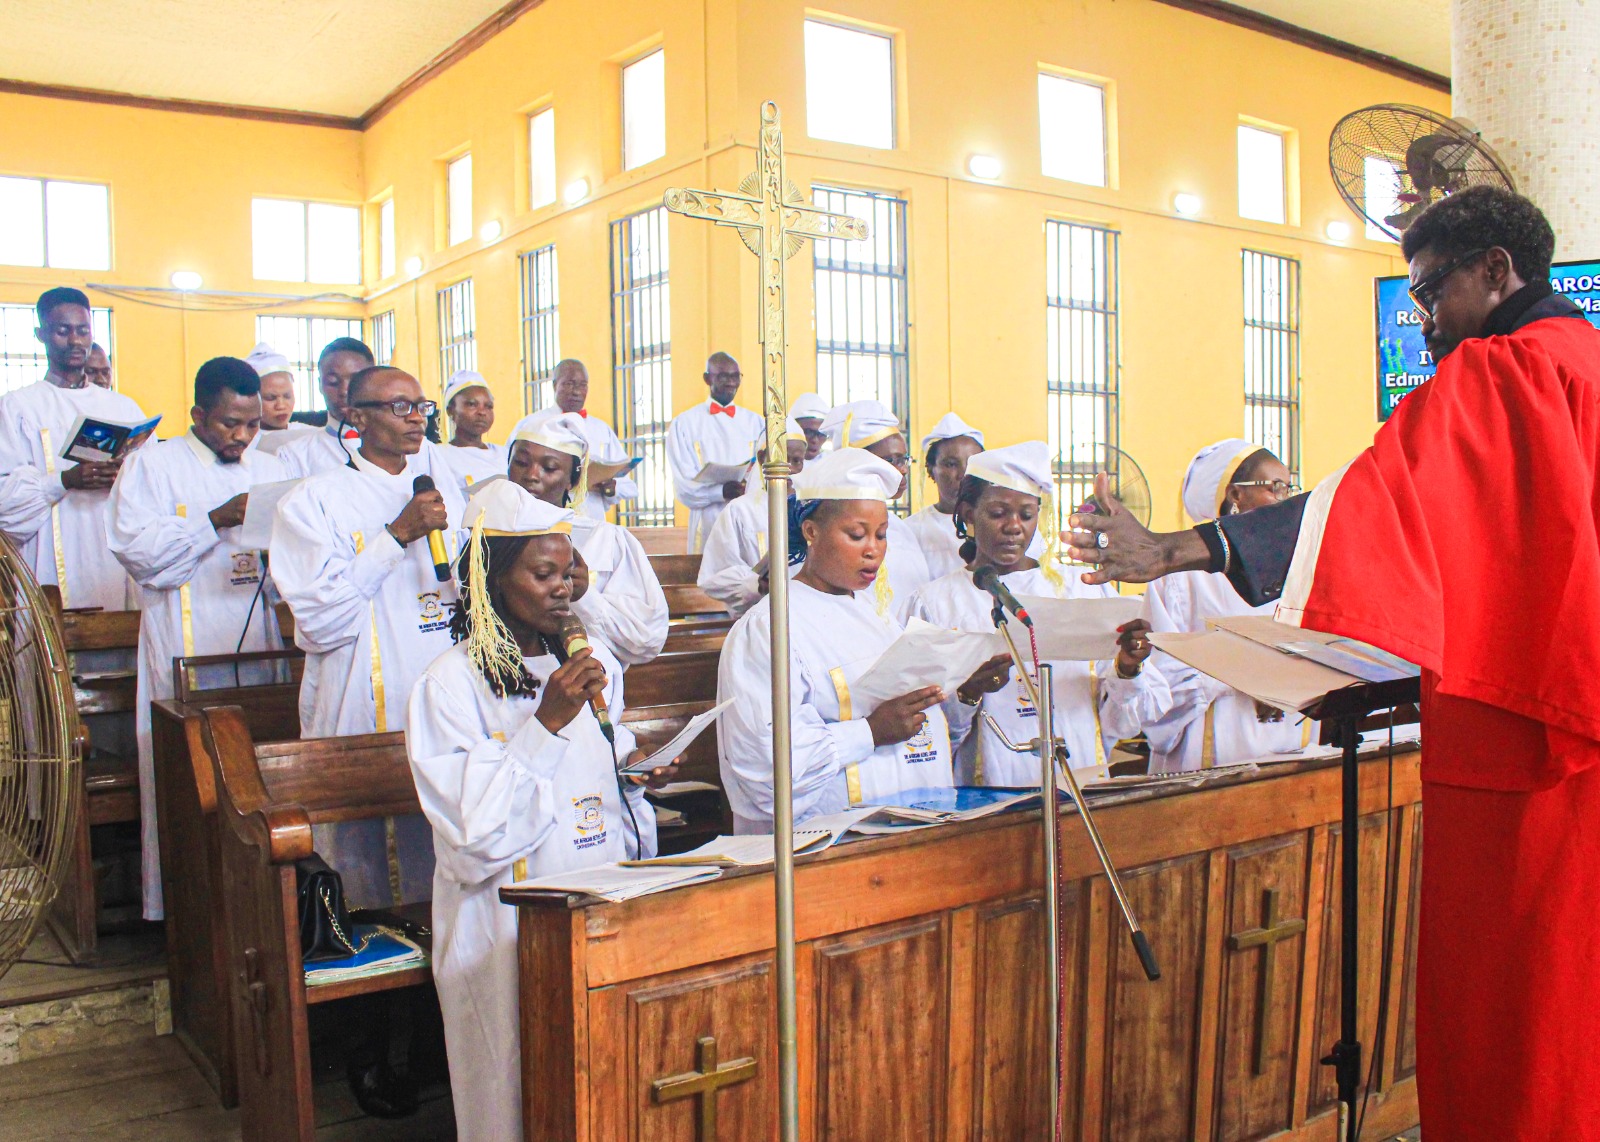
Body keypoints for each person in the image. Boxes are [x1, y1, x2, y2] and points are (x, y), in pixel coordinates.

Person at [1066, 186, 1600, 1139]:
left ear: (1496, 271)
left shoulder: (1509, 371)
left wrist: (1176, 552)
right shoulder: (1588, 362)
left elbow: (1370, 502)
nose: (1426, 321)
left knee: (1519, 1019)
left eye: (1433, 293)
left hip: (1533, 748)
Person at [407, 479, 673, 1142]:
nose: (562, 587)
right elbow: (473, 840)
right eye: (542, 573)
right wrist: (546, 723)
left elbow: (591, 775)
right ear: (493, 581)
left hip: (598, 895)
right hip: (504, 921)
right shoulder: (447, 684)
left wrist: (633, 770)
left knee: (601, 1081)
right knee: (516, 1094)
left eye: (568, 572)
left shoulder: (589, 659)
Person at [106, 357, 288, 920]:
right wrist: (213, 520)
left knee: (258, 777)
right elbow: (142, 558)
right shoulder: (152, 467)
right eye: (230, 423)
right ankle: (187, 910)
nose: (242, 436)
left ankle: (259, 904)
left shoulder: (266, 468)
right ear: (198, 414)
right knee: (190, 782)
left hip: (256, 644)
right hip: (182, 646)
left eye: (253, 424)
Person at [718, 447, 956, 833]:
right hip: (825, 848)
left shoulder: (876, 616)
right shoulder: (769, 628)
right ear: (811, 531)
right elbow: (764, 768)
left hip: (907, 831)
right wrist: (871, 732)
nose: (873, 549)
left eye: (881, 535)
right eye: (856, 534)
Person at [908, 441, 1164, 785]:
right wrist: (967, 693)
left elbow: (1128, 721)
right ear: (968, 514)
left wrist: (1128, 669)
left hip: (1079, 784)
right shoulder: (936, 602)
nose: (1014, 526)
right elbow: (923, 733)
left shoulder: (1081, 588)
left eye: (1027, 515)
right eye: (998, 513)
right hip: (988, 800)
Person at [1128, 440, 1318, 773]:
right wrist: (1246, 682)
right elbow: (1159, 675)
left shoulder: (1294, 563)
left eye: (1290, 490)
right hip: (1210, 747)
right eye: (1276, 488)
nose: (1285, 502)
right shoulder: (1182, 573)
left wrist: (1284, 684)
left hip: (1287, 740)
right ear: (1234, 495)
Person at [0, 287, 145, 610]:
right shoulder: (18, 407)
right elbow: (4, 504)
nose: (76, 341)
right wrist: (65, 480)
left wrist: (126, 473)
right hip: (50, 556)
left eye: (83, 330)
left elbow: (154, 486)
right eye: (62, 331)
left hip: (115, 553)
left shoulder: (123, 408)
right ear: (41, 334)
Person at [506, 410, 668, 666]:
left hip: (589, 686)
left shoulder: (604, 540)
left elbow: (646, 640)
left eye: (549, 467)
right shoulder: (484, 536)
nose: (532, 475)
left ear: (574, 478)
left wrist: (585, 597)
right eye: (521, 462)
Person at [817, 399, 932, 618]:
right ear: (855, 462)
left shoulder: (901, 529)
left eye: (903, 459)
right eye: (891, 460)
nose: (902, 470)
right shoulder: (829, 529)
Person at [696, 417, 807, 616]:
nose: (789, 468)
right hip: (758, 617)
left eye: (797, 461)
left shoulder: (810, 509)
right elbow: (715, 576)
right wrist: (755, 584)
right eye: (782, 458)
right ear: (763, 458)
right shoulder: (739, 511)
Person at [515, 358, 639, 522]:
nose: (577, 391)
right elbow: (514, 473)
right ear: (554, 385)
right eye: (569, 384)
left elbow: (629, 486)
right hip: (546, 520)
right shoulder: (532, 425)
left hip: (592, 520)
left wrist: (611, 487)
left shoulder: (601, 429)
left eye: (583, 385)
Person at [665, 351, 764, 551]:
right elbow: (684, 485)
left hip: (748, 515)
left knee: (751, 576)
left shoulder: (757, 423)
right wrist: (720, 492)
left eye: (735, 376)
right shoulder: (685, 424)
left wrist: (749, 486)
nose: (730, 382)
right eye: (723, 376)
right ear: (707, 378)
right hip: (708, 519)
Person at [902, 412, 987, 580]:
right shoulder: (910, 531)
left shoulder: (1001, 525)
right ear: (931, 470)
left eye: (973, 463)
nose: (964, 474)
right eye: (951, 464)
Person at [273, 337, 374, 477]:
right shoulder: (295, 455)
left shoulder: (404, 446)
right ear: (320, 385)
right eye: (333, 382)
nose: (344, 391)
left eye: (355, 381)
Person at [437, 370, 506, 493]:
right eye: (472, 405)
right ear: (451, 411)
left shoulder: (504, 454)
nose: (482, 412)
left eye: (488, 406)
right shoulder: (439, 455)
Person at [244, 341, 316, 455]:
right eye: (271, 398)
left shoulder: (311, 435)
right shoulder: (244, 443)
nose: (281, 405)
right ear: (251, 399)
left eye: (287, 396)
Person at [790, 391, 831, 459]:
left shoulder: (833, 464)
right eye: (808, 432)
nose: (815, 440)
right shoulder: (777, 463)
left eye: (822, 434)